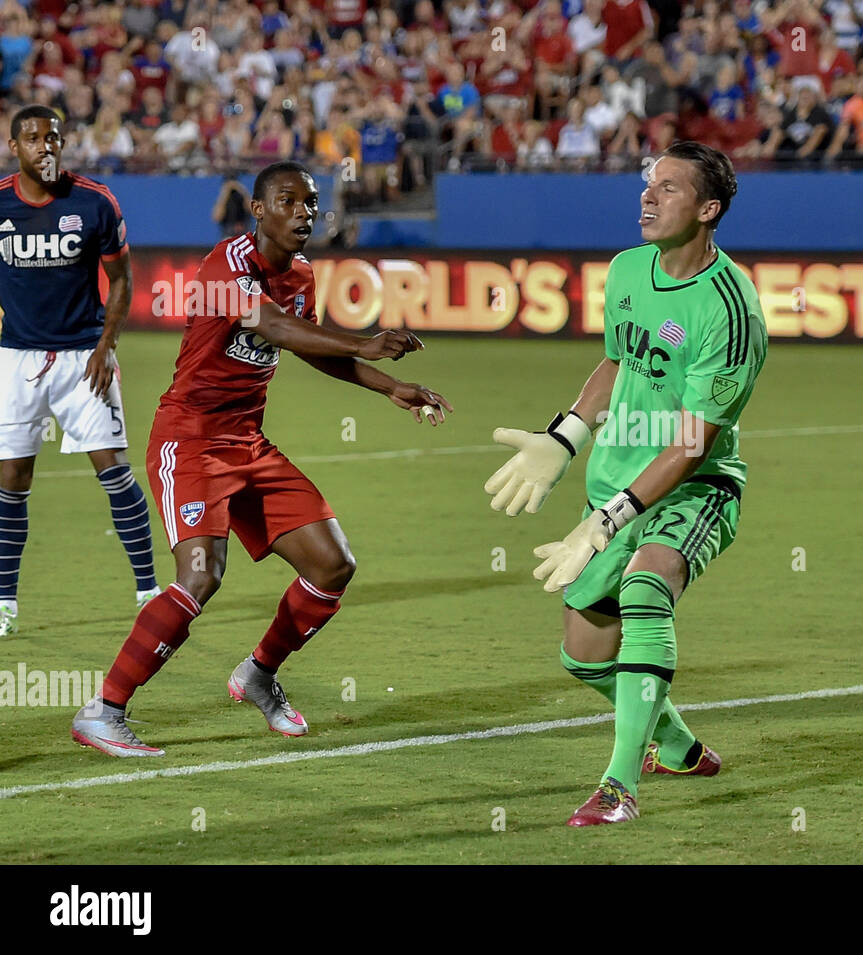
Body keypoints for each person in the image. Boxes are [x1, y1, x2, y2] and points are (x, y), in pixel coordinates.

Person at [71, 160, 453, 756]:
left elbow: (308, 345)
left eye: (311, 202)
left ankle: (257, 675)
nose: (304, 212)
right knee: (202, 575)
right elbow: (271, 326)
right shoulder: (226, 263)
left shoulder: (300, 273)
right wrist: (366, 339)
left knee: (332, 564)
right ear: (259, 210)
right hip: (189, 440)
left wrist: (390, 387)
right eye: (290, 201)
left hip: (248, 442)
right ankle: (103, 711)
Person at [483, 141, 767, 825]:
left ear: (708, 209)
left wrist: (612, 517)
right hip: (613, 482)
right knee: (583, 655)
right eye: (649, 183)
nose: (647, 196)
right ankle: (674, 743)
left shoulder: (731, 309)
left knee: (647, 587)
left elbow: (695, 440)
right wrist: (565, 437)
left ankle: (618, 787)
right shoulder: (628, 269)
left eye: (668, 188)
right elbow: (617, 359)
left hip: (693, 487)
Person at [0, 105, 160, 639]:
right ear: (14, 145)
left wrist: (106, 345)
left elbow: (122, 280)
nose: (45, 146)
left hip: (83, 358)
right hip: (16, 360)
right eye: (32, 138)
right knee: (12, 482)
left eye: (53, 137)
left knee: (114, 473)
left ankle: (149, 592)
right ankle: (4, 603)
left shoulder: (94, 202)